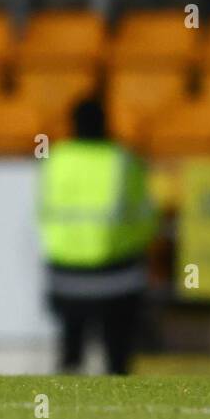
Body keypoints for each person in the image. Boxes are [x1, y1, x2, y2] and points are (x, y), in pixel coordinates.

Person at [38, 98, 157, 374]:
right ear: (106, 124)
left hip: (66, 276)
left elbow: (44, 214)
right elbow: (146, 219)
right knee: (118, 358)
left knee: (71, 354)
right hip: (118, 277)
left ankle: (61, 404)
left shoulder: (56, 160)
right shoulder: (123, 161)